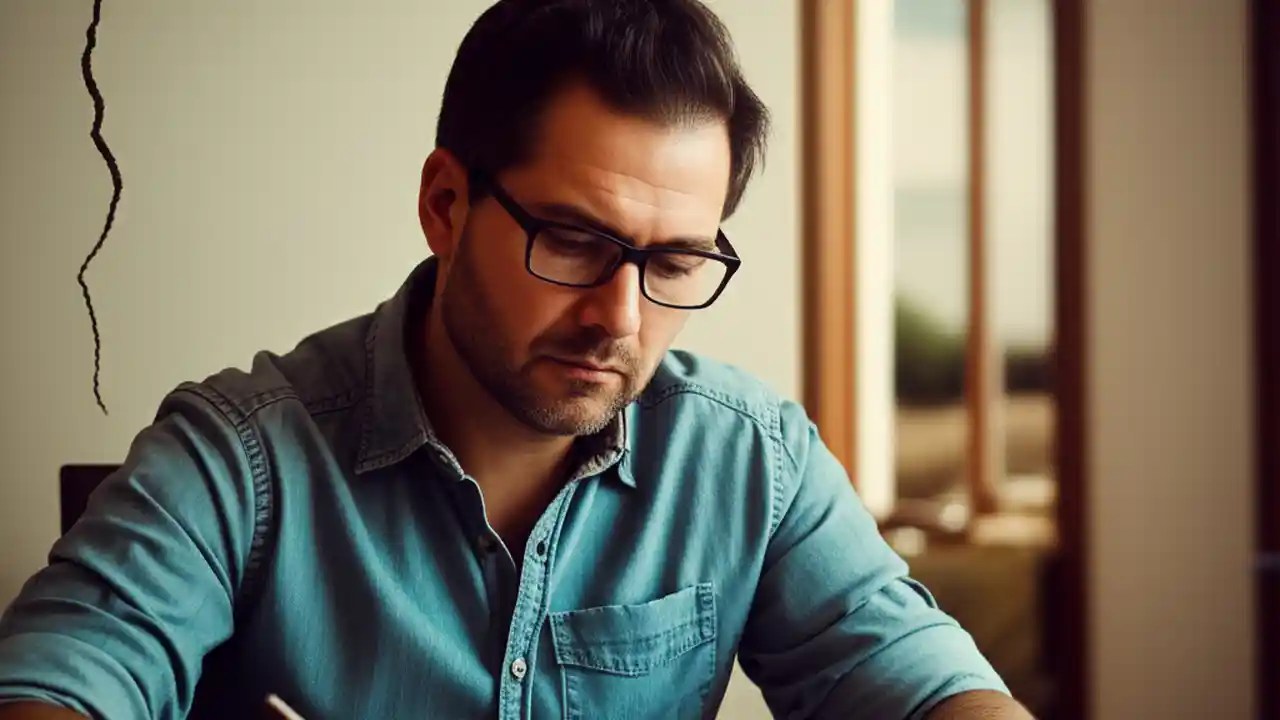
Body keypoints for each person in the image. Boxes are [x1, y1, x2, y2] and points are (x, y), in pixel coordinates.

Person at [0, 1, 1030, 718]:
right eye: (574, 242)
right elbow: (58, 683)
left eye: (673, 260)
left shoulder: (751, 461)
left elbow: (920, 684)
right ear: (444, 204)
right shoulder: (238, 462)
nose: (618, 318)